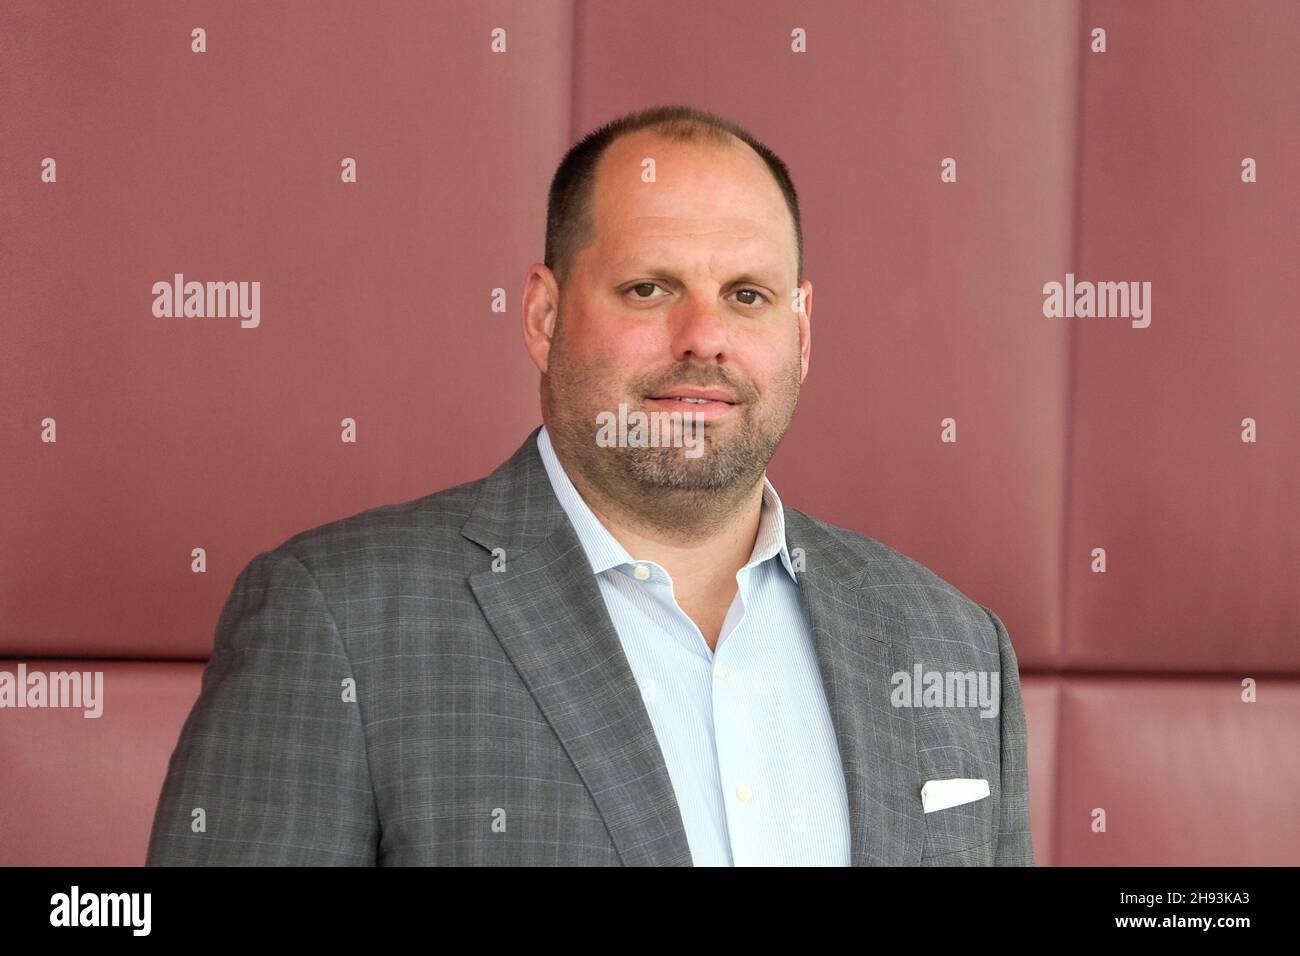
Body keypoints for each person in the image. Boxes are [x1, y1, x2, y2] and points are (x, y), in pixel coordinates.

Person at [147, 104, 1033, 866]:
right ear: (543, 315)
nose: (704, 338)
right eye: (650, 289)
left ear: (801, 333)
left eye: (748, 296)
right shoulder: (340, 621)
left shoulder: (953, 645)